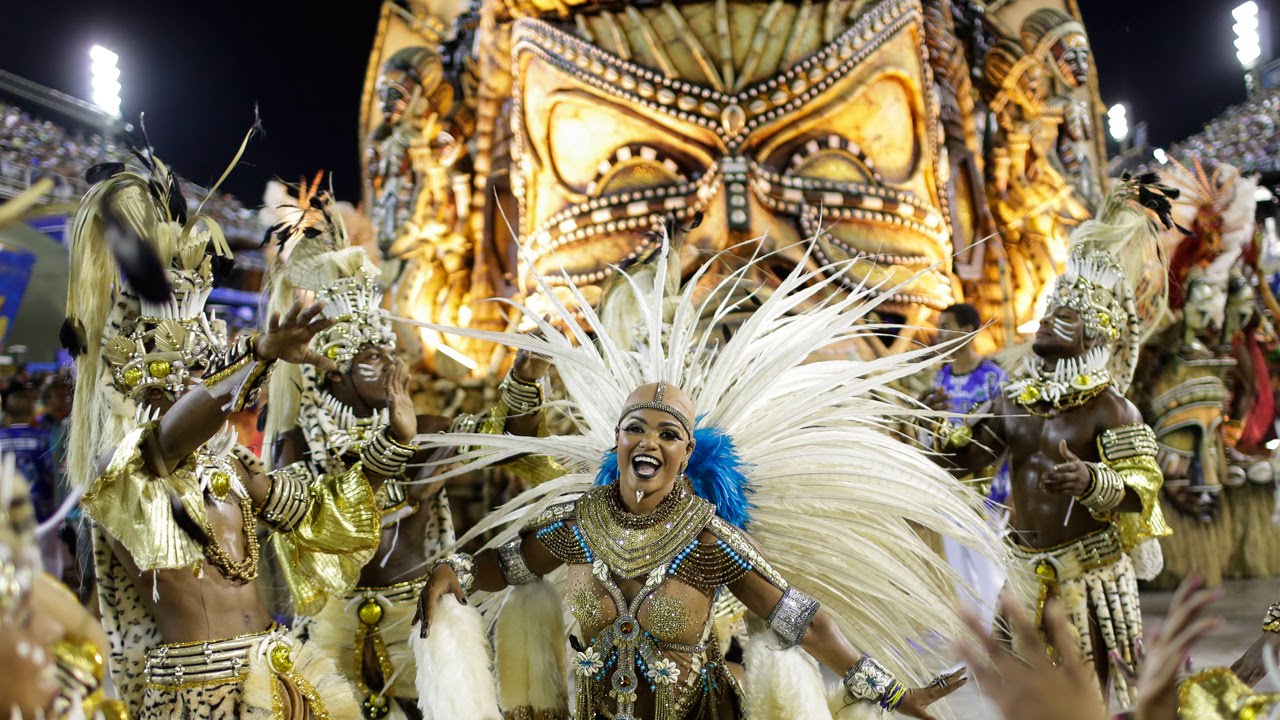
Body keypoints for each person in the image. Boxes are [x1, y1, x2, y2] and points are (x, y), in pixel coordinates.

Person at [410, 242, 1005, 720]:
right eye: (635, 429)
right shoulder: (579, 526)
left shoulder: (708, 539)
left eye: (668, 434)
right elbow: (505, 566)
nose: (649, 442)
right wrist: (451, 570)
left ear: (687, 452)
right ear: (616, 441)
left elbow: (804, 619)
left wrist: (893, 692)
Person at [65, 148, 382, 719]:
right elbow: (183, 425)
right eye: (181, 372)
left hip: (280, 676)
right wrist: (257, 352)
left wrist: (391, 442)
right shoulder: (126, 471)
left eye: (200, 365)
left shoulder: (232, 468)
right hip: (198, 696)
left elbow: (320, 512)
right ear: (142, 381)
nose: (193, 378)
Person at [260, 183, 557, 720]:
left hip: (423, 622)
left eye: (388, 346)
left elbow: (507, 439)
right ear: (334, 362)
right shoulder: (298, 443)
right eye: (372, 353)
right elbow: (313, 524)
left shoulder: (427, 432)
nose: (391, 361)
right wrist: (390, 446)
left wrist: (525, 375)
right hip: (332, 626)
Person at [932, 176, 1175, 705]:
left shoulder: (1110, 407)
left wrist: (1093, 480)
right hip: (1022, 570)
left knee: (1090, 692)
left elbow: (1143, 488)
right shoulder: (1012, 400)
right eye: (1049, 310)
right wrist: (933, 440)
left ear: (1092, 334)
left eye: (1064, 315)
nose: (1047, 319)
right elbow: (969, 462)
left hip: (1090, 573)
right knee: (1020, 691)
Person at [920, 302, 1010, 627]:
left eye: (947, 325)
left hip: (987, 492)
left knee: (990, 569)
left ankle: (998, 638)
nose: (939, 332)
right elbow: (929, 433)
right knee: (959, 571)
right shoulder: (940, 377)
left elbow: (1007, 433)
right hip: (949, 490)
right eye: (939, 324)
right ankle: (975, 642)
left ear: (969, 331)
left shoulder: (994, 378)